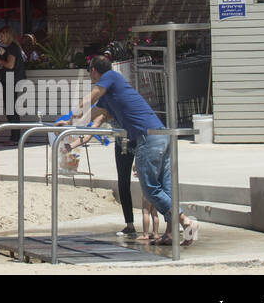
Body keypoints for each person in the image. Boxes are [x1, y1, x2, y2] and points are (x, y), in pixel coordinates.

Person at [85, 55, 198, 245]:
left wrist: (75, 111)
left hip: (148, 137)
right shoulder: (111, 94)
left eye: (89, 70)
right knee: (165, 188)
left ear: (94, 70)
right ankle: (170, 234)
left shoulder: (111, 78)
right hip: (160, 134)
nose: (89, 74)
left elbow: (88, 101)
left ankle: (186, 222)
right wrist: (70, 122)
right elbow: (97, 117)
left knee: (150, 189)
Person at [0, 29, 26, 140]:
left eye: (2, 35)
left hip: (10, 80)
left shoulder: (12, 47)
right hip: (9, 80)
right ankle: (15, 137)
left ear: (8, 35)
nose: (0, 38)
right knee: (10, 109)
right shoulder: (10, 48)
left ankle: (15, 138)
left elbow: (10, 65)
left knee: (11, 109)